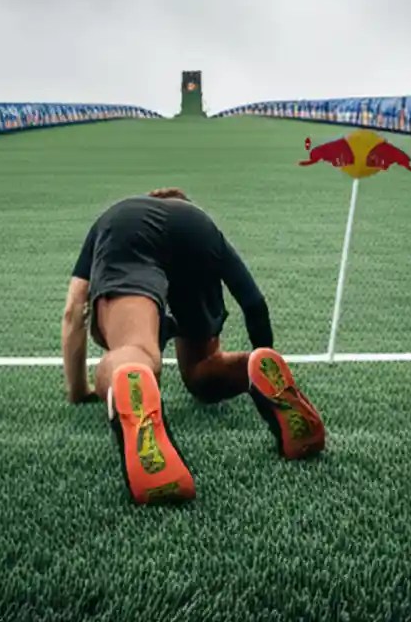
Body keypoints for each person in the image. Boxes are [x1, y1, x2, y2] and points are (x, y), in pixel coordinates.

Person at [60, 187, 325, 505]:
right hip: (197, 237)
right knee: (203, 369)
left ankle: (132, 370)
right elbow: (254, 302)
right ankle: (250, 369)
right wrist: (264, 351)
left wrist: (79, 390)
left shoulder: (120, 215)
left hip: (128, 236)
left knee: (137, 350)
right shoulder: (198, 220)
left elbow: (74, 308)